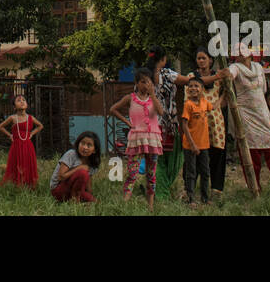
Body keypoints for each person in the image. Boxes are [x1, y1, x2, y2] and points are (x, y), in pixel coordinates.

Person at [226, 46, 270, 196]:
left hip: (262, 112)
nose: (241, 53)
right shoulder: (235, 67)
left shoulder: (258, 68)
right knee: (251, 153)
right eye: (237, 51)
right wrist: (226, 75)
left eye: (243, 49)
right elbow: (230, 75)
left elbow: (264, 90)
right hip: (246, 115)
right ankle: (254, 189)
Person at [110, 70, 166, 210]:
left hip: (152, 139)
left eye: (148, 81)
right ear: (136, 83)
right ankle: (125, 203)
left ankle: (151, 206)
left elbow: (161, 112)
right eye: (143, 81)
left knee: (151, 173)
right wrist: (128, 123)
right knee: (132, 172)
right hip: (137, 139)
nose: (146, 85)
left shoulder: (154, 99)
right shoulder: (131, 98)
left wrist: (153, 95)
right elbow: (113, 109)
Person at [146, 46, 190, 199]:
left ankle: (157, 190)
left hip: (150, 124)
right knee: (174, 157)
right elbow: (188, 81)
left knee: (155, 160)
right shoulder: (168, 74)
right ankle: (162, 192)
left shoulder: (144, 76)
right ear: (163, 59)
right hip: (168, 123)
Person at [192, 48, 229, 199]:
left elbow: (227, 93)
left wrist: (219, 103)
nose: (201, 61)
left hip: (216, 122)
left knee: (217, 154)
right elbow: (197, 86)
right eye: (199, 58)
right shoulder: (192, 77)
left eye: (204, 58)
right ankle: (192, 189)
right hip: (198, 122)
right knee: (196, 155)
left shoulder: (219, 78)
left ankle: (216, 189)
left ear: (210, 60)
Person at [0, 93, 43, 189]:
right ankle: (17, 185)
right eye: (18, 100)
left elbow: (40, 126)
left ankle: (29, 185)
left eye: (24, 100)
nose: (22, 101)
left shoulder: (31, 118)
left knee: (28, 163)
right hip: (17, 145)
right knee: (16, 163)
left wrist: (31, 133)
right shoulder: (12, 118)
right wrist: (10, 135)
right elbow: (0, 127)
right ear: (14, 106)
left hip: (28, 145)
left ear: (27, 105)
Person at [180, 77, 211, 204]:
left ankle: (205, 198)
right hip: (190, 145)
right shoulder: (188, 105)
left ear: (202, 89)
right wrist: (192, 144)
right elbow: (184, 125)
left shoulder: (204, 102)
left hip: (204, 145)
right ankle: (190, 198)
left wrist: (224, 95)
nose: (193, 88)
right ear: (187, 90)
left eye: (196, 86)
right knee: (191, 172)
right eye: (190, 86)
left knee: (205, 172)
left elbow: (214, 106)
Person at [50, 131, 100, 204]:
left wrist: (89, 195)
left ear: (94, 150)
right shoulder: (71, 154)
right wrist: (79, 168)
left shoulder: (92, 162)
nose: (85, 147)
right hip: (59, 190)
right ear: (78, 144)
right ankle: (75, 201)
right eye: (82, 143)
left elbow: (88, 185)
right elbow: (60, 177)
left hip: (77, 191)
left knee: (96, 202)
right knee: (83, 173)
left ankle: (75, 199)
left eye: (89, 145)